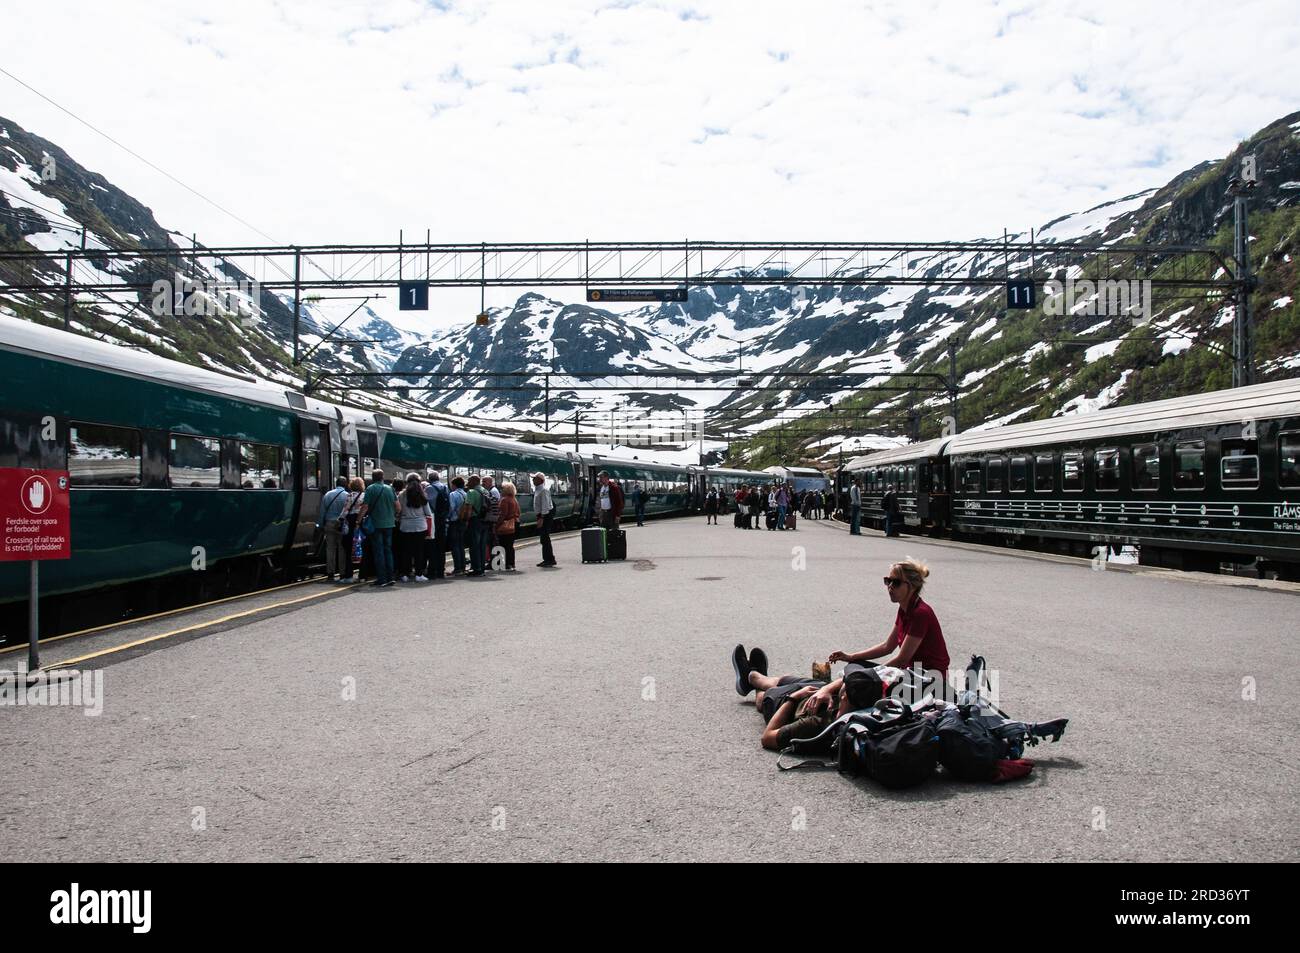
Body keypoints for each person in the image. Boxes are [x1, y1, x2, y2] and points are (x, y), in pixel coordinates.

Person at [809, 557, 952, 716]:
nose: (890, 586)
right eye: (887, 581)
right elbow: (887, 646)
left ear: (911, 586)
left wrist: (871, 675)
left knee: (857, 684)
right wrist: (851, 656)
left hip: (928, 680)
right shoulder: (904, 609)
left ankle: (839, 726)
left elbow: (902, 659)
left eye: (896, 582)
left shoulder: (920, 613)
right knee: (855, 666)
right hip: (911, 674)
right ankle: (830, 692)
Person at [731, 644, 838, 751]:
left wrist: (793, 698)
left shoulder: (820, 724)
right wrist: (827, 688)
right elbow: (845, 680)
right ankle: (755, 677)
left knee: (769, 696)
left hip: (794, 706)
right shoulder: (847, 695)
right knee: (785, 680)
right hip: (820, 690)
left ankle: (751, 679)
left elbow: (767, 738)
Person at [358, 469, 397, 587]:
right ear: (382, 477)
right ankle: (390, 577)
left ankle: (382, 578)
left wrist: (358, 520)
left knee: (379, 551)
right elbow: (398, 507)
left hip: (375, 525)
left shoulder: (370, 489)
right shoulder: (390, 489)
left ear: (372, 477)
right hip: (389, 524)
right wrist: (392, 515)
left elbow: (365, 507)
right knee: (388, 550)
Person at [396, 473, 433, 582]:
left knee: (406, 551)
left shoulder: (401, 495)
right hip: (420, 526)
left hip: (405, 526)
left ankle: (405, 574)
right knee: (419, 551)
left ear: (407, 482)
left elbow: (398, 510)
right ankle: (419, 574)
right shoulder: (422, 494)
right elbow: (428, 513)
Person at [317, 477, 351, 582]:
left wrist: (320, 525)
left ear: (336, 484)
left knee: (330, 549)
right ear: (345, 484)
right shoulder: (347, 495)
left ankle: (330, 573)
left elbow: (322, 511)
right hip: (341, 524)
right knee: (341, 549)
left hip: (329, 523)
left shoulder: (328, 495)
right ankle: (342, 573)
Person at [339, 477, 365, 582]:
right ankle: (362, 575)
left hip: (350, 522)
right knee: (362, 548)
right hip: (361, 521)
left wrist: (340, 519)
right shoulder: (364, 495)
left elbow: (345, 510)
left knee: (349, 549)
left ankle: (348, 575)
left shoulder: (350, 495)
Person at [425, 471, 450, 579]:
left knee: (432, 546)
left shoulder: (429, 488)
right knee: (441, 546)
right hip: (442, 520)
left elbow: (426, 504)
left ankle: (432, 571)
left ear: (429, 479)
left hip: (432, 520)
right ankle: (441, 570)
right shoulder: (445, 488)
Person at [463, 475, 489, 577]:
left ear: (474, 481)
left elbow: (469, 509)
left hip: (475, 521)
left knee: (474, 545)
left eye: (469, 481)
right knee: (482, 545)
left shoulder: (471, 492)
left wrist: (466, 521)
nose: (467, 483)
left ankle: (476, 569)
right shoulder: (485, 491)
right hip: (485, 521)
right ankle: (481, 568)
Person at [532, 472, 557, 567]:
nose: (533, 480)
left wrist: (542, 518)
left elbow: (545, 505)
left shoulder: (544, 490)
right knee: (543, 538)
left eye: (535, 478)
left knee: (545, 538)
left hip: (545, 516)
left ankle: (550, 559)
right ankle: (547, 558)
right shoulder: (538, 490)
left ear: (540, 480)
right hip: (542, 515)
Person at [496, 481, 522, 571]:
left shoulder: (504, 500)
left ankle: (505, 564)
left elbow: (503, 514)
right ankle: (511, 563)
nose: (500, 490)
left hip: (506, 524)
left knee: (503, 544)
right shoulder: (514, 499)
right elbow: (519, 512)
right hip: (515, 523)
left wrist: (497, 525)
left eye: (502, 488)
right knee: (510, 545)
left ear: (506, 490)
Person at [448, 476, 468, 575]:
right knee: (461, 544)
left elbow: (451, 508)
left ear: (454, 485)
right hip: (463, 521)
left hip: (455, 521)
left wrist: (448, 517)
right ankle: (463, 567)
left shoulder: (453, 494)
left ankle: (457, 568)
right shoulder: (466, 494)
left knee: (455, 545)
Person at [482, 475, 502, 570]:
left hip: (492, 520)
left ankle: (495, 563)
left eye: (484, 481)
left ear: (490, 482)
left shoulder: (492, 492)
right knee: (493, 542)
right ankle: (495, 562)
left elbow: (493, 505)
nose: (482, 483)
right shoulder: (492, 491)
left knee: (493, 542)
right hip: (493, 519)